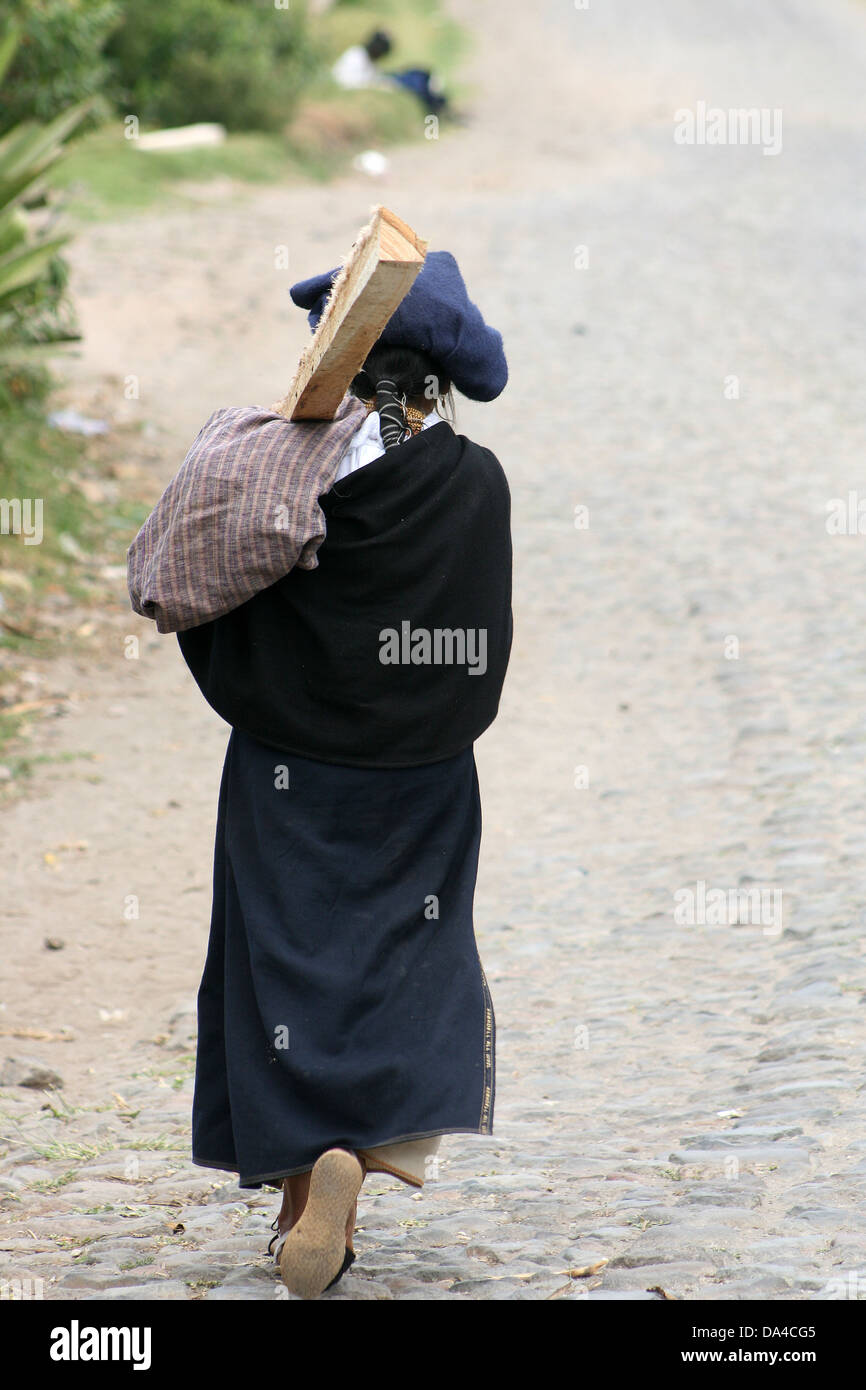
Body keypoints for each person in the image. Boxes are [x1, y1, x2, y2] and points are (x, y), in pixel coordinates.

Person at [175, 250, 512, 1299]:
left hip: (286, 772)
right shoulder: (474, 482)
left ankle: (295, 1197)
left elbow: (214, 607)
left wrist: (258, 698)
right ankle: (350, 1174)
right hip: (420, 781)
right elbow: (478, 658)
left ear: (341, 365)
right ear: (435, 381)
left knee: (282, 967)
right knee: (401, 967)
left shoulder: (287, 473)